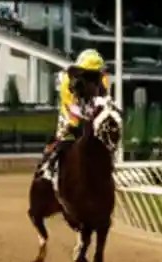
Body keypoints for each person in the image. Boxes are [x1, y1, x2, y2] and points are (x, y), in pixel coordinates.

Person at [36, 49, 110, 179]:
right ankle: (47, 167)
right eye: (86, 75)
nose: (91, 80)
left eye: (94, 76)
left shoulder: (103, 81)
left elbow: (103, 102)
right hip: (71, 119)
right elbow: (72, 107)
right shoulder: (67, 82)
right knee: (63, 141)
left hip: (91, 119)